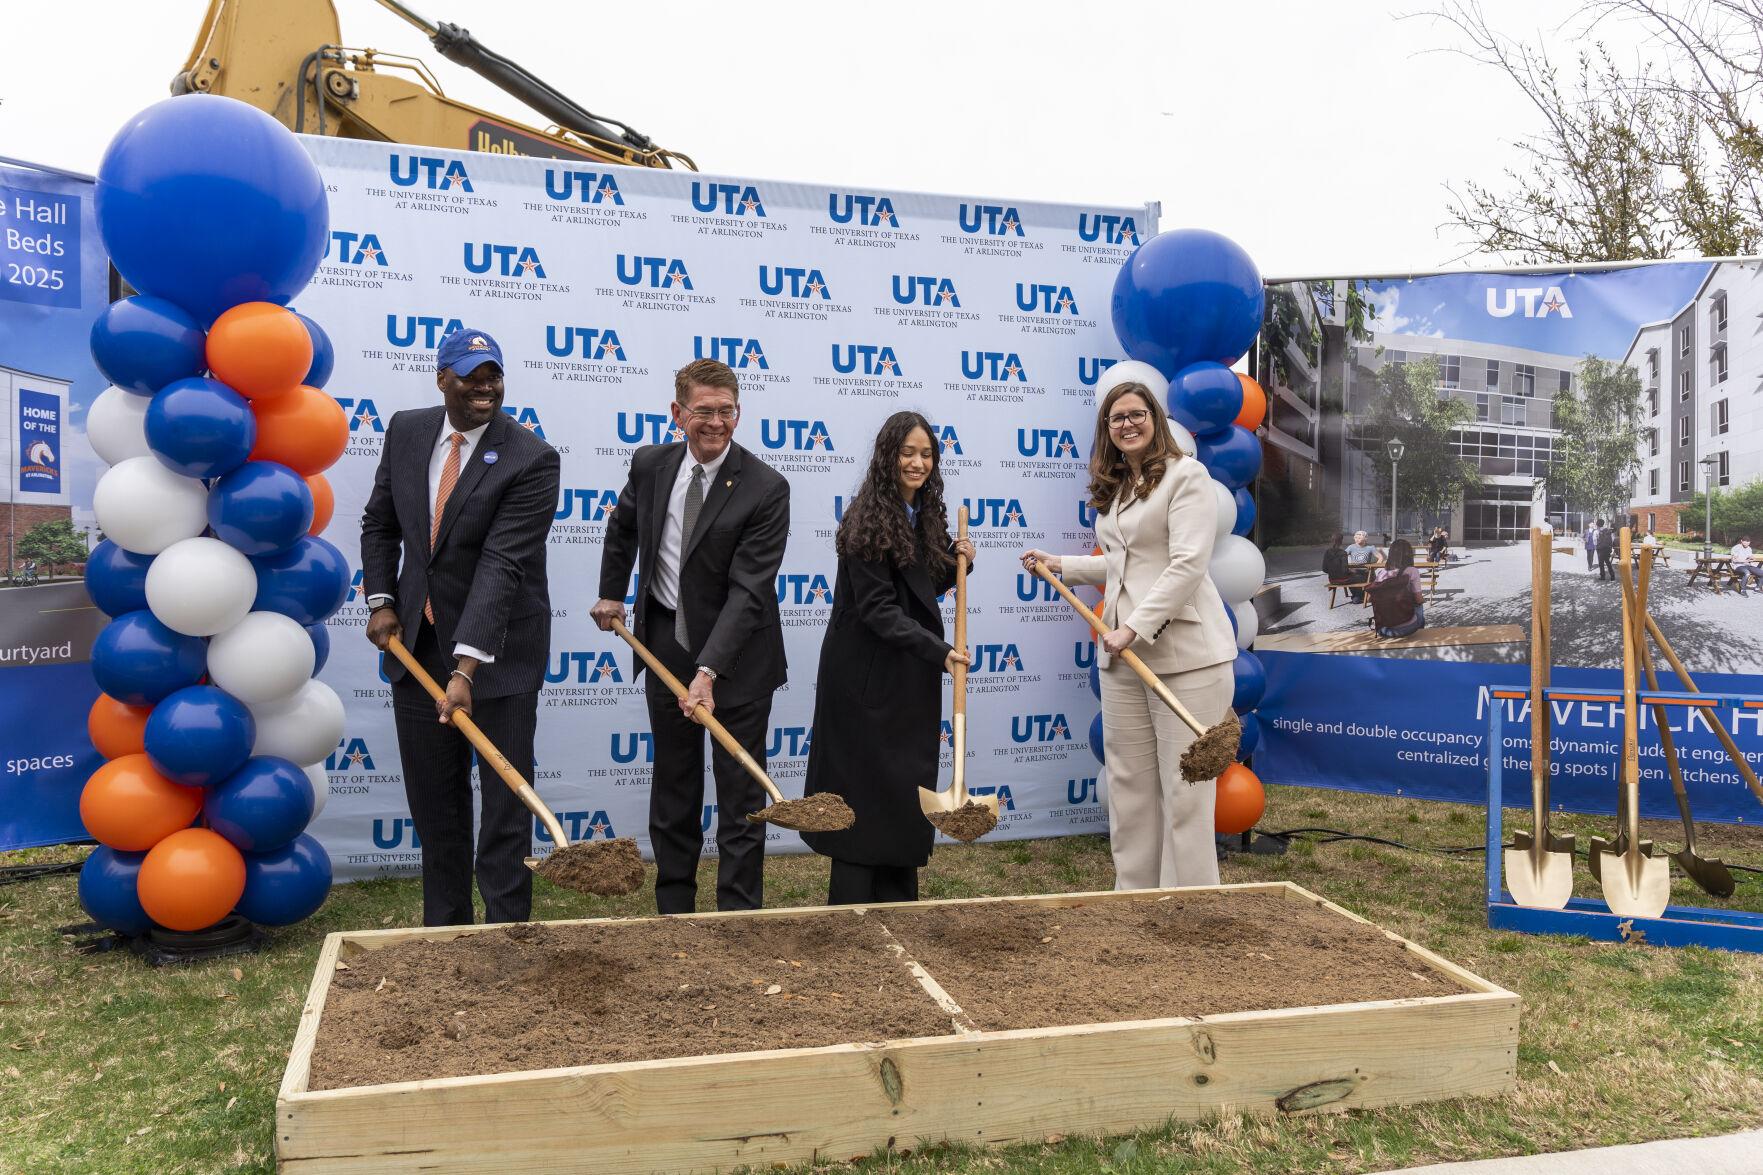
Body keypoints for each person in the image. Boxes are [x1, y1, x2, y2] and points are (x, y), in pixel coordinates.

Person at [360, 327, 560, 927]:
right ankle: (445, 930)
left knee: (503, 809)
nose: (485, 386)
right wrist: (381, 599)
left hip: (498, 656)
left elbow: (502, 566)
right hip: (416, 648)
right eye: (471, 374)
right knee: (435, 806)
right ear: (442, 377)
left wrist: (467, 666)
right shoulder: (407, 429)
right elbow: (379, 523)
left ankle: (506, 932)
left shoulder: (530, 458)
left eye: (493, 374)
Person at [1020, 382, 1237, 890]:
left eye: (1137, 414)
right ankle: (1133, 904)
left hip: (1187, 659)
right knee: (1130, 788)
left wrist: (1133, 629)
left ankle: (1190, 909)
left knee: (1185, 794)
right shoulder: (1118, 490)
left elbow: (1186, 566)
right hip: (1121, 662)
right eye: (1117, 419)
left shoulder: (1187, 477)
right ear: (1107, 431)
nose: (1127, 424)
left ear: (1154, 421)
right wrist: (1062, 566)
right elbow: (1124, 565)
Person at [592, 358, 789, 914]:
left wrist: (708, 673)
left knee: (742, 796)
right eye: (704, 411)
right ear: (678, 413)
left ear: (739, 413)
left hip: (739, 662)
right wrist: (612, 591)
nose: (717, 422)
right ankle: (674, 908)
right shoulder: (651, 464)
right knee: (675, 786)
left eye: (727, 411)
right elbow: (622, 525)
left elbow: (750, 591)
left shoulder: (766, 488)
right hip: (665, 648)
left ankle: (737, 914)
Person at [800, 412, 975, 905]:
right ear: (888, 457)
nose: (917, 463)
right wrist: (940, 653)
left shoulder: (921, 513)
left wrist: (959, 565)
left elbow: (915, 593)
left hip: (906, 674)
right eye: (907, 453)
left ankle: (900, 904)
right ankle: (851, 909)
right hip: (865, 679)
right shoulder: (866, 517)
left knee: (902, 794)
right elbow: (878, 610)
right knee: (865, 795)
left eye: (926, 454)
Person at [1368, 537, 1428, 638]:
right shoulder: (1412, 571)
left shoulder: (1382, 573)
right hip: (1406, 629)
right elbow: (1418, 599)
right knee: (1419, 604)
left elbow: (1372, 600)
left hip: (1383, 629)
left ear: (1391, 555)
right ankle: (1419, 634)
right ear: (1409, 555)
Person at [1344, 529, 1381, 602]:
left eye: (1359, 538)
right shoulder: (1351, 547)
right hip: (1355, 572)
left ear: (1365, 539)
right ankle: (1357, 595)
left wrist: (1374, 568)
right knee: (1350, 577)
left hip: (1366, 572)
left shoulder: (1370, 547)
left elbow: (1380, 557)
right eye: (1356, 537)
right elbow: (1342, 557)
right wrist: (1349, 568)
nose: (1357, 539)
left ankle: (1361, 596)